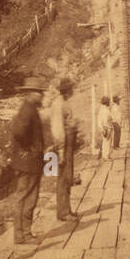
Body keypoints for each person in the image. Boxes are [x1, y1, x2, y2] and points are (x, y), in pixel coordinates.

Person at [8, 76, 48, 244]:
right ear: (31, 93)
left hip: (28, 162)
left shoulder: (28, 108)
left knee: (25, 197)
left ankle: (22, 233)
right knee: (27, 198)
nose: (42, 96)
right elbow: (18, 132)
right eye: (39, 93)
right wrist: (29, 149)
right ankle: (24, 234)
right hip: (28, 163)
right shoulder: (28, 110)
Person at [50, 76, 80, 222]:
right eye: (72, 88)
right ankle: (63, 212)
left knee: (68, 177)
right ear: (67, 90)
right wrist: (61, 152)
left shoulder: (64, 102)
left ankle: (66, 209)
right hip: (63, 146)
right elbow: (57, 129)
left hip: (68, 144)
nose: (73, 90)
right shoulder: (58, 104)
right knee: (64, 178)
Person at [99, 96, 114, 160]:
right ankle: (106, 156)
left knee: (106, 141)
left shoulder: (102, 108)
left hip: (105, 127)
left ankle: (105, 155)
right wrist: (106, 128)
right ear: (106, 102)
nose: (109, 103)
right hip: (106, 127)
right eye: (108, 101)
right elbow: (105, 120)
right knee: (107, 141)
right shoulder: (105, 110)